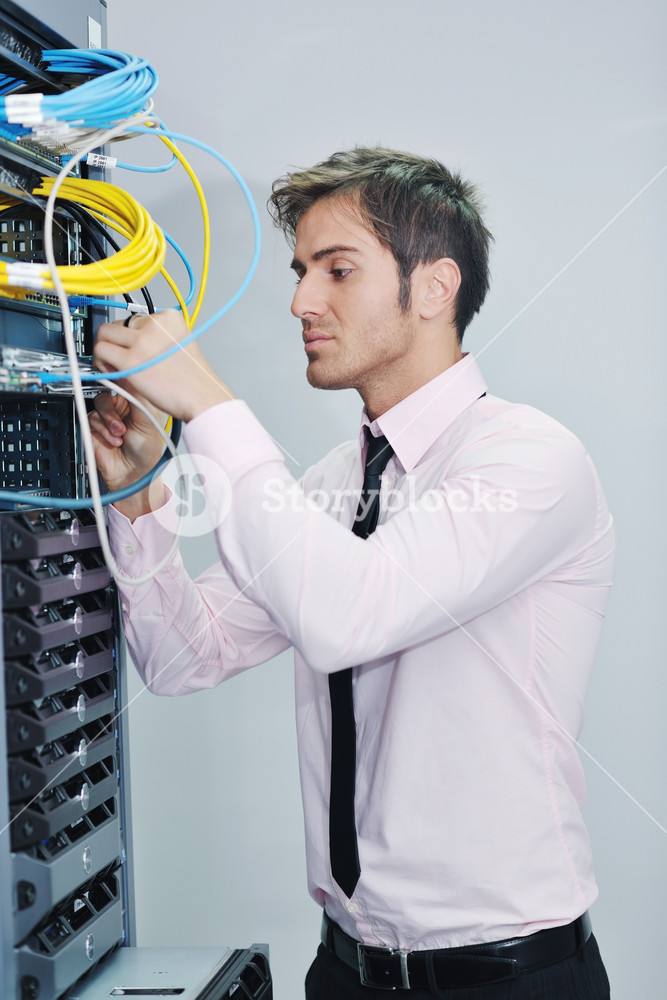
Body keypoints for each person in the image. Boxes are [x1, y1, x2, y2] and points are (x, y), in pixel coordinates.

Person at [90, 148, 614, 998]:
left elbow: (346, 614)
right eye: (301, 272)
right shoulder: (334, 481)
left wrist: (210, 405)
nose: (300, 301)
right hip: (342, 971)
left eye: (338, 270)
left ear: (434, 287)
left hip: (506, 980)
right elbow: (186, 657)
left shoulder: (528, 461)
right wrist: (141, 503)